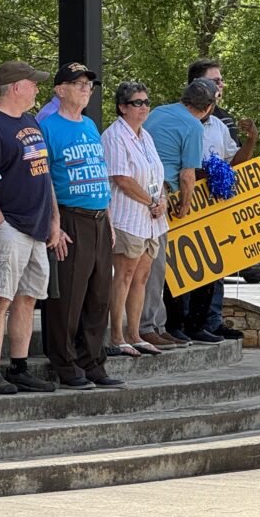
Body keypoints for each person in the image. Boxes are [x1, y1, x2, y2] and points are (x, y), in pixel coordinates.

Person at [0, 61, 61, 395]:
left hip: (37, 229)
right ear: (16, 86)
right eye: (32, 83)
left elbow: (44, 173)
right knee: (0, 298)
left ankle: (19, 368)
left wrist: (54, 220)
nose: (37, 88)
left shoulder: (31, 121)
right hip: (9, 227)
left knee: (27, 298)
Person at [39, 62, 124, 390]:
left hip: (99, 219)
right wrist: (54, 223)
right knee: (68, 297)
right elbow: (43, 179)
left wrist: (109, 220)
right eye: (79, 84)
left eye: (89, 84)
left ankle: (92, 361)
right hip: (70, 217)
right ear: (60, 90)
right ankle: (64, 362)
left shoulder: (89, 125)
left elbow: (99, 172)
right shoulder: (47, 126)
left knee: (99, 295)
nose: (86, 89)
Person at [140, 77, 220, 346]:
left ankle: (154, 324)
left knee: (140, 265)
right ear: (208, 108)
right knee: (155, 266)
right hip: (159, 194)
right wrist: (185, 206)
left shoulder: (158, 111)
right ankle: (149, 326)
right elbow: (187, 175)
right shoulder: (194, 127)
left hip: (137, 189)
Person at [188, 59, 259, 340]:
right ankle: (182, 324)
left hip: (214, 204)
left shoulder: (220, 122)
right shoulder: (179, 121)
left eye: (221, 80)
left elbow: (234, 161)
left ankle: (211, 321)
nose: (221, 85)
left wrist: (251, 139)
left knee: (216, 265)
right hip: (187, 205)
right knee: (187, 269)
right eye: (215, 81)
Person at [101, 82, 168, 358]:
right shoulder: (115, 135)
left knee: (142, 276)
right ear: (123, 107)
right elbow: (122, 178)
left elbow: (156, 175)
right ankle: (116, 335)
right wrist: (151, 201)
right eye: (137, 103)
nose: (144, 107)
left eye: (146, 102)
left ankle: (134, 333)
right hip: (127, 217)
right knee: (124, 275)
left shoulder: (146, 136)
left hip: (151, 221)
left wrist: (162, 200)